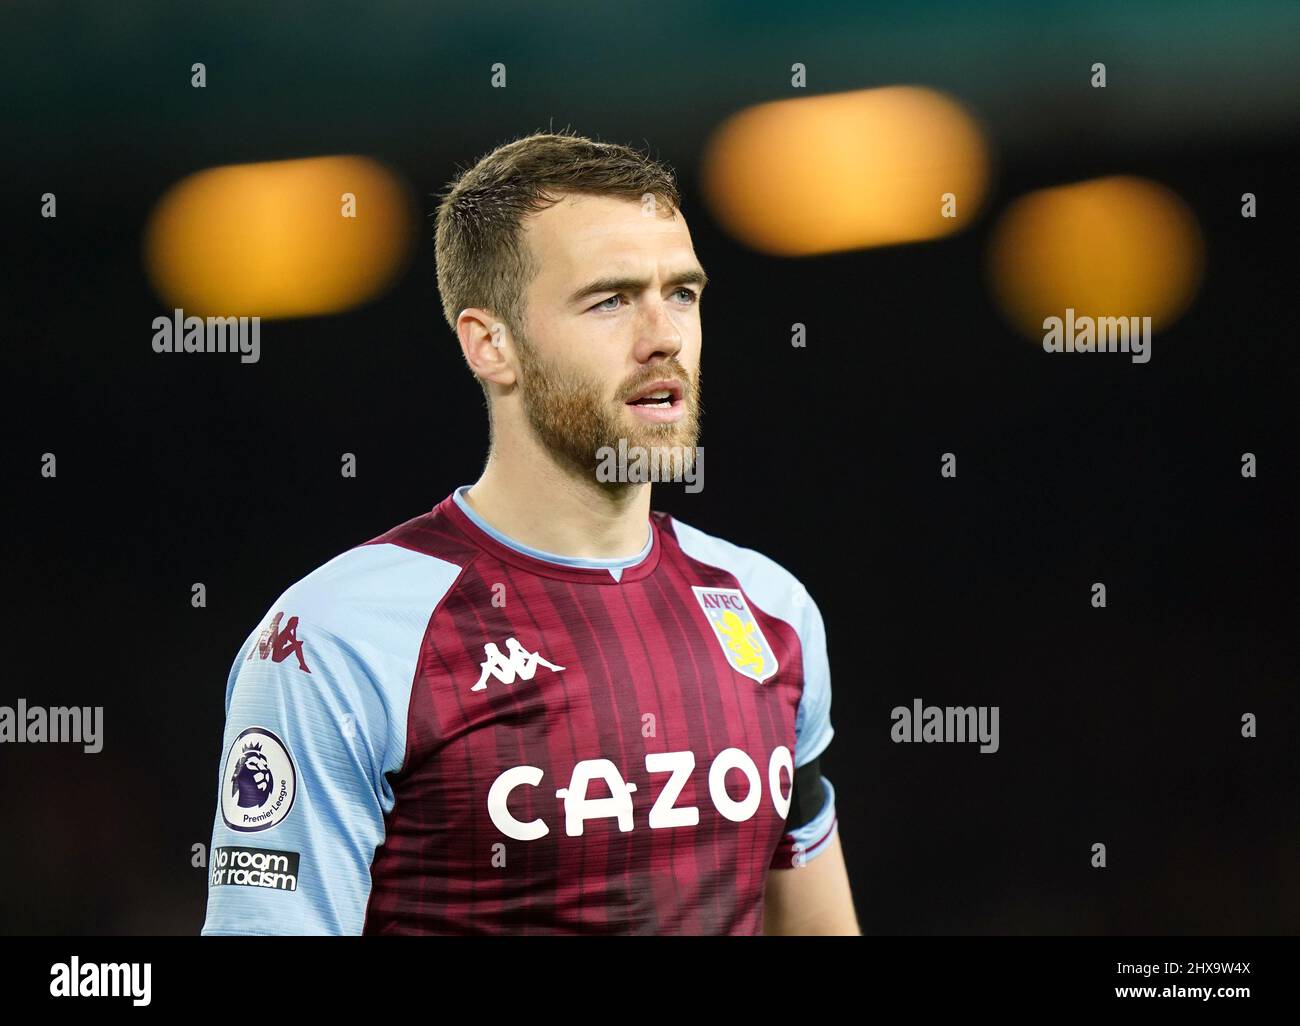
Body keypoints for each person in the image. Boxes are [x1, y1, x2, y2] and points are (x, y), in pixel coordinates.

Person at [201, 130, 859, 935]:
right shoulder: (338, 639)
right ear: (491, 344)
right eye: (611, 299)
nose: (664, 337)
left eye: (682, 294)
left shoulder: (770, 610)